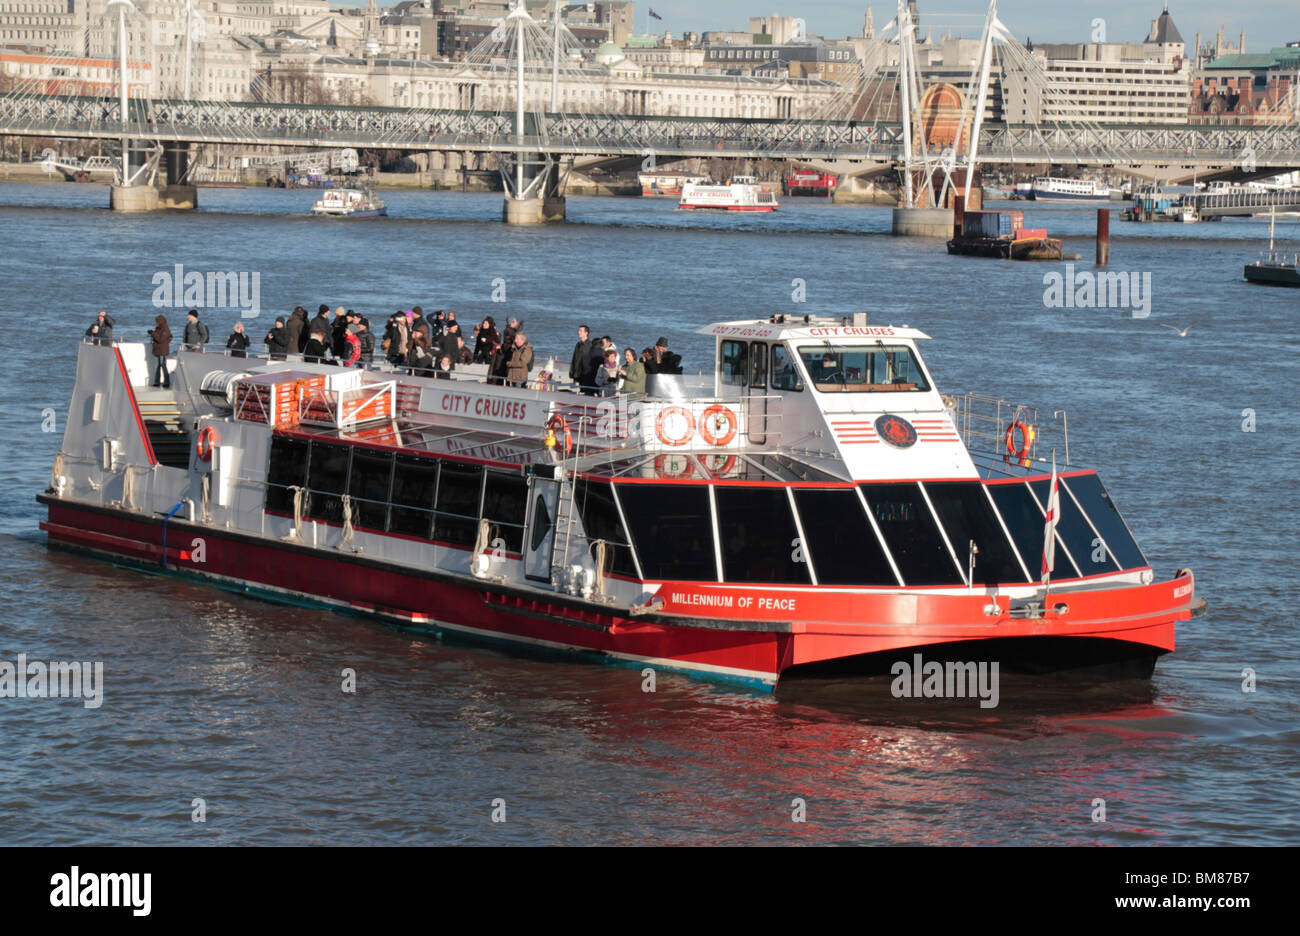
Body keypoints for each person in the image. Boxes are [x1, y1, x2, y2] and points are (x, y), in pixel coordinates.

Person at [148, 315, 172, 388]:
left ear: (160, 322)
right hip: (157, 350)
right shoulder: (158, 328)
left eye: (157, 322)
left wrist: (152, 333)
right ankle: (157, 382)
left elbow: (160, 339)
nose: (156, 323)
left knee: (163, 365)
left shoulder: (166, 329)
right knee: (157, 366)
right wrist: (153, 334)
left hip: (162, 351)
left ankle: (166, 382)